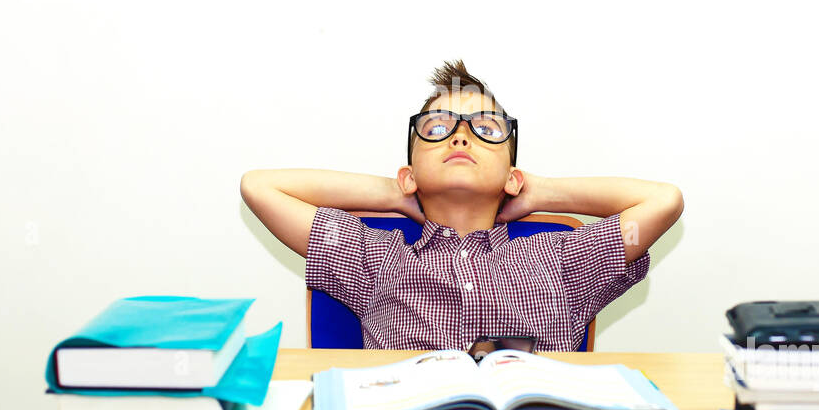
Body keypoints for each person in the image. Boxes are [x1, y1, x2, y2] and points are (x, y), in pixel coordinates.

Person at [240, 60, 683, 351]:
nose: (461, 135)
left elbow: (663, 201)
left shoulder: (561, 260)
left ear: (513, 175)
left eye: (486, 128)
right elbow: (260, 188)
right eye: (437, 127)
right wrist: (396, 194)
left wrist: (541, 191)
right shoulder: (374, 258)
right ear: (409, 171)